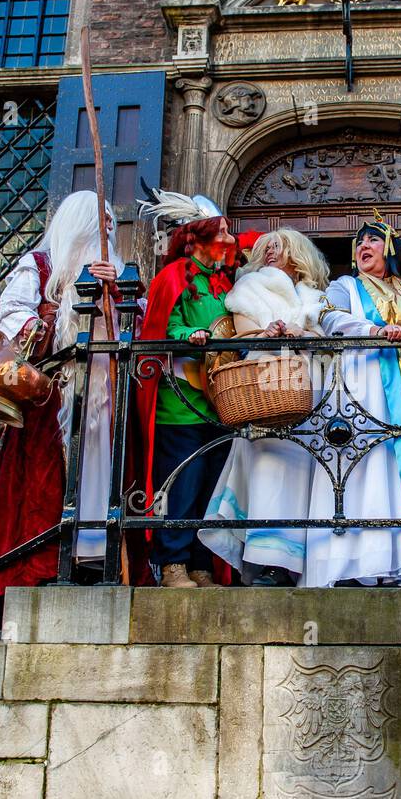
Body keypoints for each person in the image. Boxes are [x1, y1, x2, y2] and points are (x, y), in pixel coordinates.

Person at [0, 191, 121, 621]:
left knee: (101, 474)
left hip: (102, 396)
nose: (110, 225)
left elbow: (135, 326)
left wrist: (114, 291)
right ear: (79, 222)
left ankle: (93, 559)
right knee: (44, 481)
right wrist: (59, 313)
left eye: (113, 218)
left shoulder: (116, 272)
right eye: (101, 217)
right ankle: (41, 566)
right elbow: (12, 316)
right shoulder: (39, 266)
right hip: (51, 393)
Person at [305, 214, 401, 588]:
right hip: (366, 386)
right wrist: (374, 330)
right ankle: (361, 566)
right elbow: (328, 318)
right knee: (368, 469)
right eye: (359, 243)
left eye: (373, 241)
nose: (364, 247)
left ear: (390, 250)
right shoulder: (347, 285)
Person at [198, 229, 329, 586]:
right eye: (265, 247)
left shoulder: (316, 296)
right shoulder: (249, 287)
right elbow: (242, 330)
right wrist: (266, 331)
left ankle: (299, 564)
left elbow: (326, 337)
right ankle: (267, 563)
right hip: (263, 384)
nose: (270, 252)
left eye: (278, 246)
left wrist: (302, 335)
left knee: (304, 470)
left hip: (305, 386)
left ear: (296, 252)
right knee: (268, 470)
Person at [137, 190, 238, 588]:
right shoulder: (172, 278)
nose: (230, 241)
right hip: (180, 401)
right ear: (196, 239)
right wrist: (187, 334)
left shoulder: (223, 283)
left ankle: (201, 565)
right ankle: (173, 564)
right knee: (182, 482)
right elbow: (163, 328)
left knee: (211, 486)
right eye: (222, 233)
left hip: (217, 400)